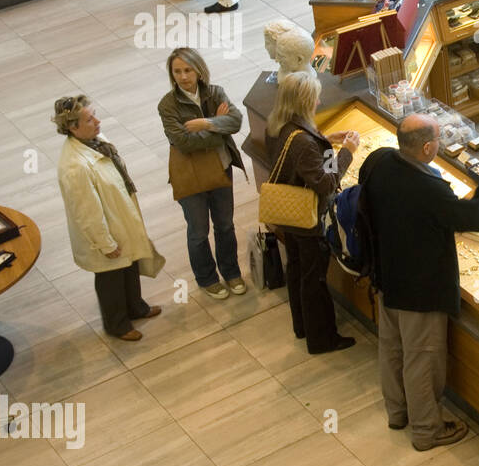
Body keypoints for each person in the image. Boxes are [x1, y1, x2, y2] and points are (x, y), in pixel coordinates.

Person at [358, 114, 479, 450]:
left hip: (386, 275)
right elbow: (474, 218)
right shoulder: (428, 189)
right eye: (439, 137)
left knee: (392, 348)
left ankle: (398, 412)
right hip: (421, 288)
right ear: (429, 147)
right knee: (421, 359)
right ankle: (426, 430)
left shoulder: (380, 161)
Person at [53, 95, 163, 342]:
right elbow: (87, 213)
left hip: (121, 220)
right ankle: (117, 325)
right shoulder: (75, 167)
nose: (98, 121)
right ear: (72, 127)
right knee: (111, 278)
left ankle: (136, 307)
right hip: (106, 233)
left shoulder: (96, 140)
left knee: (130, 266)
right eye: (90, 118)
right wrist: (105, 243)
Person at [264, 70, 358, 354]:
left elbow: (303, 155)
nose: (318, 101)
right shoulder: (304, 141)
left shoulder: (284, 126)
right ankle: (322, 338)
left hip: (289, 218)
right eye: (315, 97)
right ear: (305, 102)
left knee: (296, 270)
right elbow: (327, 183)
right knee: (314, 279)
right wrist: (347, 152)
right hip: (308, 221)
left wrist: (326, 140)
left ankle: (302, 326)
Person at [157, 47, 247, 300]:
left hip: (220, 168)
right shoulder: (168, 105)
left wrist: (206, 123)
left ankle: (231, 272)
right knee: (198, 232)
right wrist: (218, 129)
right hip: (190, 175)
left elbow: (237, 121)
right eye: (177, 71)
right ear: (172, 75)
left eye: (187, 70)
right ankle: (207, 279)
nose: (183, 76)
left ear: (198, 70)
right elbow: (183, 142)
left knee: (225, 225)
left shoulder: (215, 92)